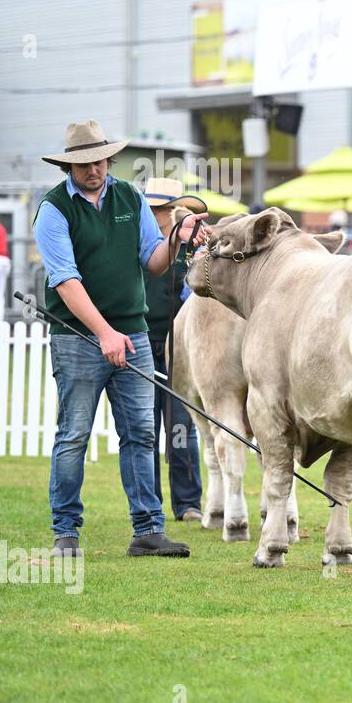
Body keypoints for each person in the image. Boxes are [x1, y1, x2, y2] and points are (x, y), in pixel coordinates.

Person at [32, 120, 207, 558]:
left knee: (141, 434)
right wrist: (105, 333)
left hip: (133, 333)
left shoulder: (130, 197)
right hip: (77, 338)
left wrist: (177, 238)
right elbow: (66, 280)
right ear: (69, 166)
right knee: (74, 434)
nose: (95, 169)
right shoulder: (53, 209)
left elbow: (153, 261)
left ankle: (148, 529)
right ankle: (66, 533)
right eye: (85, 163)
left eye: (101, 159)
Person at [142, 178, 205, 524]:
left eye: (164, 209)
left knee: (181, 428)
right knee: (145, 429)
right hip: (140, 342)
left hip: (179, 348)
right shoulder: (137, 246)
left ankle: (188, 503)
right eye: (152, 209)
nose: (159, 215)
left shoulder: (193, 252)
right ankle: (150, 504)